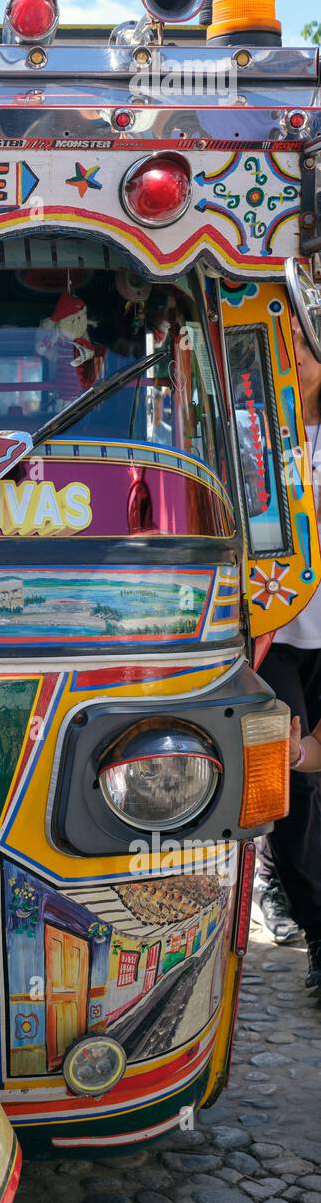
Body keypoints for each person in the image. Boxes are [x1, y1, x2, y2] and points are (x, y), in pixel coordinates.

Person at [257, 316, 321, 988]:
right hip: (277, 630)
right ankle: (312, 921)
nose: (294, 358)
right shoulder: (252, 430)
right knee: (293, 777)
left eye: (304, 344)